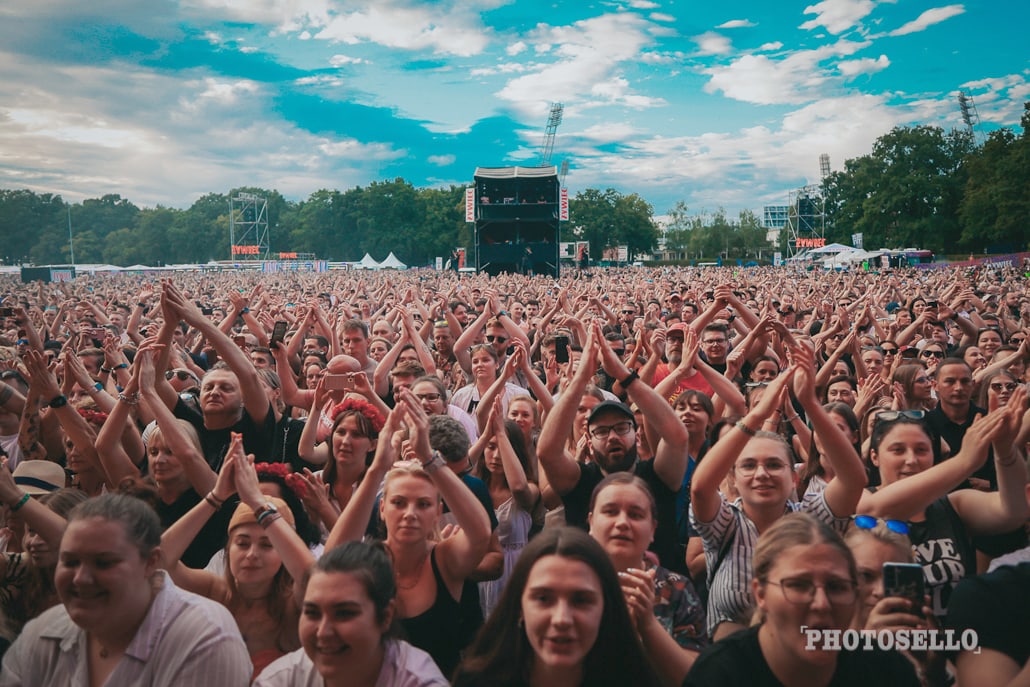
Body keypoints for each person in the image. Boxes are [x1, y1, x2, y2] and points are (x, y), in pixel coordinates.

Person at [689, 345, 867, 640]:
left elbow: (853, 480)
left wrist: (809, 402)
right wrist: (757, 414)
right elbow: (700, 487)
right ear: (734, 475)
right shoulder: (726, 523)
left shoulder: (810, 518)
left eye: (774, 464)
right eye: (748, 465)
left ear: (793, 475)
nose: (762, 474)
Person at [0, 493, 251, 686]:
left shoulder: (205, 638)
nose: (81, 578)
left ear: (151, 562)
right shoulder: (42, 635)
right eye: (70, 561)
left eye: (103, 563)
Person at [325, 389, 491, 678]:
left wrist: (429, 458)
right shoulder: (368, 560)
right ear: (382, 510)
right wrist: (377, 469)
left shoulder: (445, 559)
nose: (410, 513)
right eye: (399, 503)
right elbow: (333, 557)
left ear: (438, 513)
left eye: (424, 504)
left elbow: (480, 533)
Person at [683, 513, 919, 687]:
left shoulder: (887, 669)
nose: (822, 603)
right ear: (760, 594)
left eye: (836, 587)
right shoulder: (719, 675)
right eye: (798, 585)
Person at [855, 394, 1029, 619]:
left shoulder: (954, 505)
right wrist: (965, 461)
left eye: (921, 450)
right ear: (875, 457)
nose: (911, 460)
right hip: (880, 645)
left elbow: (1013, 511)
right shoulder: (859, 498)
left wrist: (1005, 451)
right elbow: (872, 512)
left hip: (952, 645)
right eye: (898, 450)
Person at [158, 433, 316, 677]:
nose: (252, 554)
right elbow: (158, 561)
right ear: (228, 548)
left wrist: (256, 502)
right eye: (242, 543)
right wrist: (216, 496)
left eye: (266, 545)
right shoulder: (213, 591)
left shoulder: (293, 605)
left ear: (283, 553)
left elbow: (312, 579)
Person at [451, 527, 660, 687]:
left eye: (581, 600)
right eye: (543, 599)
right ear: (519, 606)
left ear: (605, 607)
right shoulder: (477, 681)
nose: (561, 619)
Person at [253, 540, 447, 686]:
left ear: (386, 616)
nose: (323, 632)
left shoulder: (419, 681)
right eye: (312, 613)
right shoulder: (282, 679)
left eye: (344, 614)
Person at [587, 473, 706, 685]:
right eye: (610, 512)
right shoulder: (572, 584)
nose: (622, 523)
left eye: (635, 514)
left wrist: (648, 624)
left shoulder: (676, 588)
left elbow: (696, 679)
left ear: (652, 530)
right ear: (591, 522)